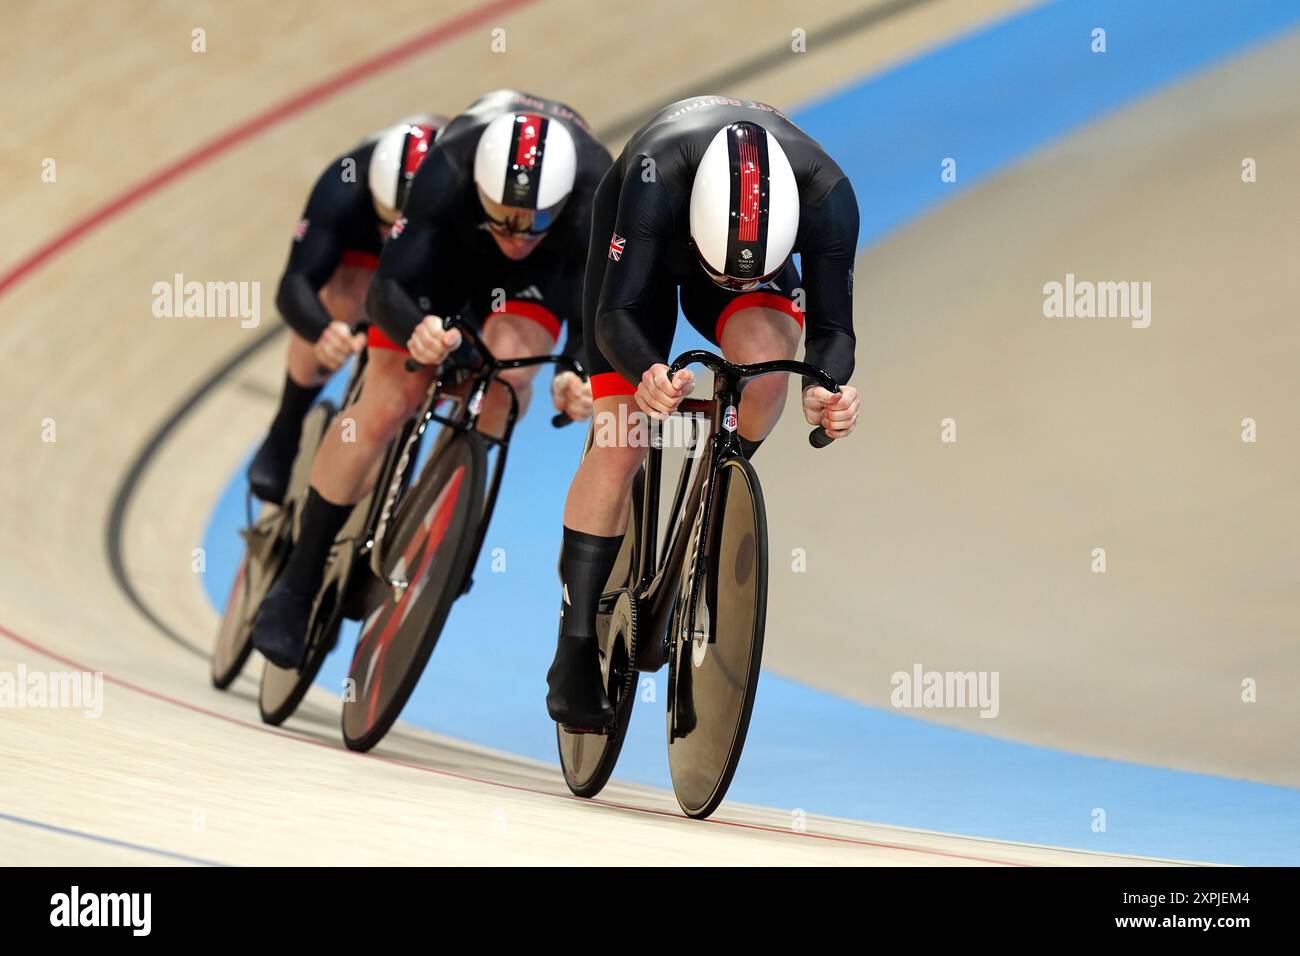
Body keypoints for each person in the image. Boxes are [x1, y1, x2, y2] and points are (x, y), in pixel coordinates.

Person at [251, 89, 610, 669]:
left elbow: (600, 305)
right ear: (479, 188)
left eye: (534, 220)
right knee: (393, 396)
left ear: (563, 201)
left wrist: (575, 369)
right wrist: (414, 330)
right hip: (453, 253)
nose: (518, 234)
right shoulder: (446, 169)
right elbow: (386, 288)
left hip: (548, 271)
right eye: (507, 218)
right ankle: (299, 578)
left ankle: (445, 499)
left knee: (507, 381)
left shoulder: (598, 196)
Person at [546, 95, 863, 729]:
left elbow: (834, 329)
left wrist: (827, 388)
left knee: (771, 367)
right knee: (620, 433)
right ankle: (574, 644)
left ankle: (715, 487)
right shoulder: (654, 177)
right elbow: (616, 317)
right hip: (648, 258)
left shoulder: (827, 197)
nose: (735, 287)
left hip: (746, 250)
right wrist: (648, 376)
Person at [247, 115, 447, 504]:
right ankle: (286, 429)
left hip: (432, 253)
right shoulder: (344, 182)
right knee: (345, 293)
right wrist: (324, 331)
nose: (395, 236)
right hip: (361, 255)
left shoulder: (456, 194)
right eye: (389, 222)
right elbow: (295, 283)